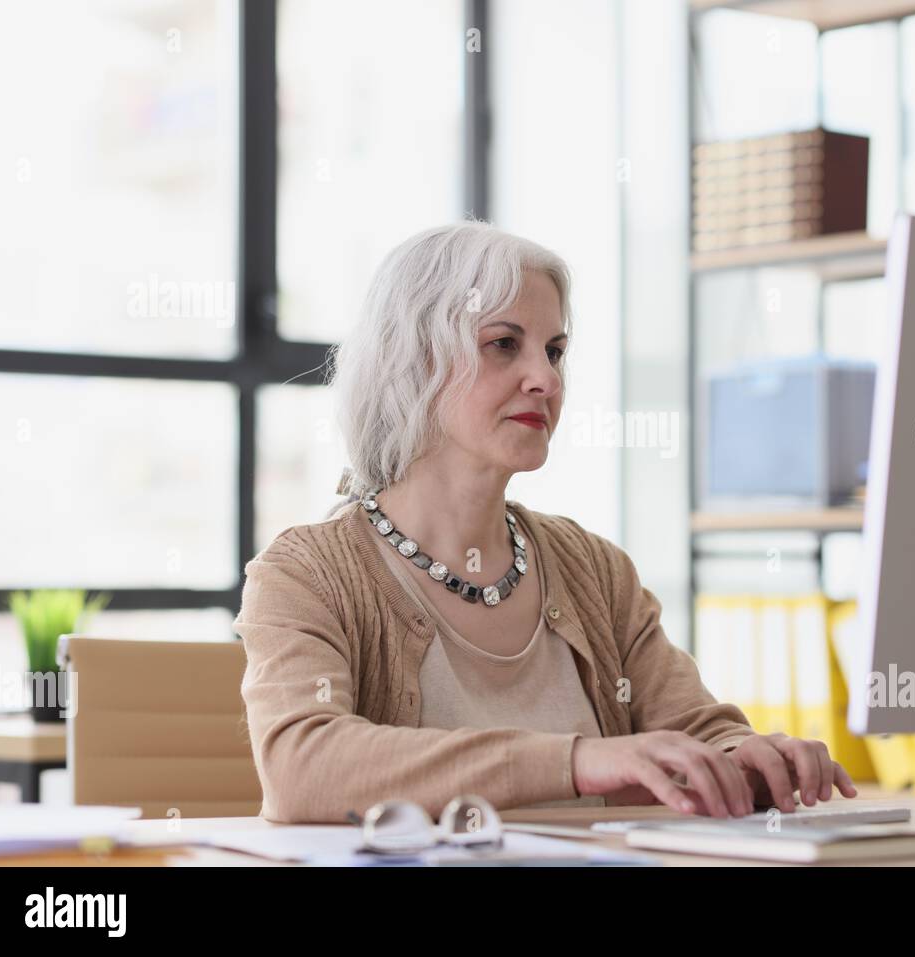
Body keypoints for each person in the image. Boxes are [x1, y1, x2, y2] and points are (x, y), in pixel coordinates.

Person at [234, 220, 859, 824]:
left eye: (554, 351)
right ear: (414, 360)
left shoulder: (592, 568)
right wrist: (579, 761)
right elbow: (302, 768)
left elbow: (692, 731)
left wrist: (746, 757)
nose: (546, 379)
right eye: (505, 344)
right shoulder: (306, 573)